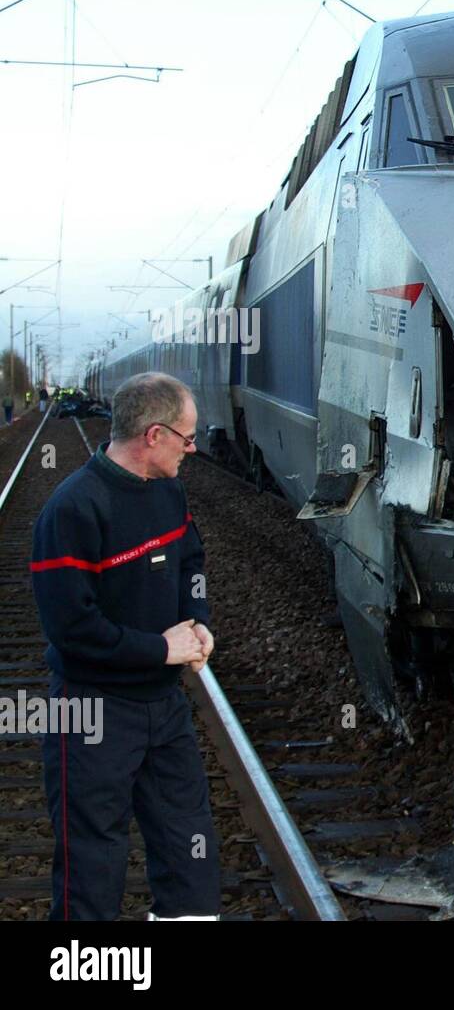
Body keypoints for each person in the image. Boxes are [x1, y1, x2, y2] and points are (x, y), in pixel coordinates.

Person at [30, 371, 220, 920]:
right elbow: (72, 630)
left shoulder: (169, 491)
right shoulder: (73, 509)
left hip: (163, 705)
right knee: (93, 861)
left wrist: (197, 619)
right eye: (187, 437)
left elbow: (191, 564)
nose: (193, 448)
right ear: (154, 435)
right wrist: (159, 650)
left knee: (189, 847)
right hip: (91, 709)